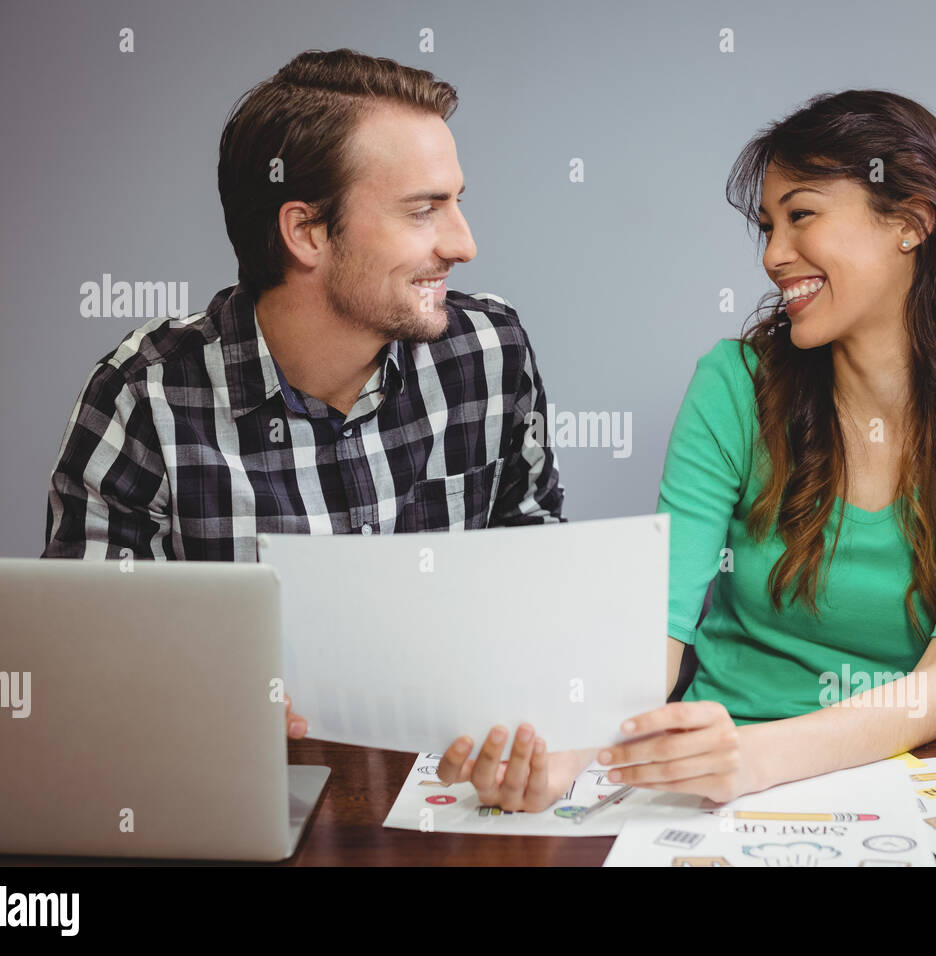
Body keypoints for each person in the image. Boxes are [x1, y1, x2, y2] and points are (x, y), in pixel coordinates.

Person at [437, 89, 936, 810]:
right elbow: (655, 626)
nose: (772, 256)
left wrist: (754, 759)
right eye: (766, 225)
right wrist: (566, 752)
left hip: (897, 785)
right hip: (710, 780)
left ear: (910, 223)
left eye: (801, 216)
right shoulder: (732, 386)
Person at [40, 50, 564, 737]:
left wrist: (529, 735)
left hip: (450, 792)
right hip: (244, 813)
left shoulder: (489, 352)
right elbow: (88, 671)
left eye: (457, 202)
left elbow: (537, 571)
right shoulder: (142, 399)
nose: (463, 243)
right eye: (423, 210)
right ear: (306, 231)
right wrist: (200, 713)